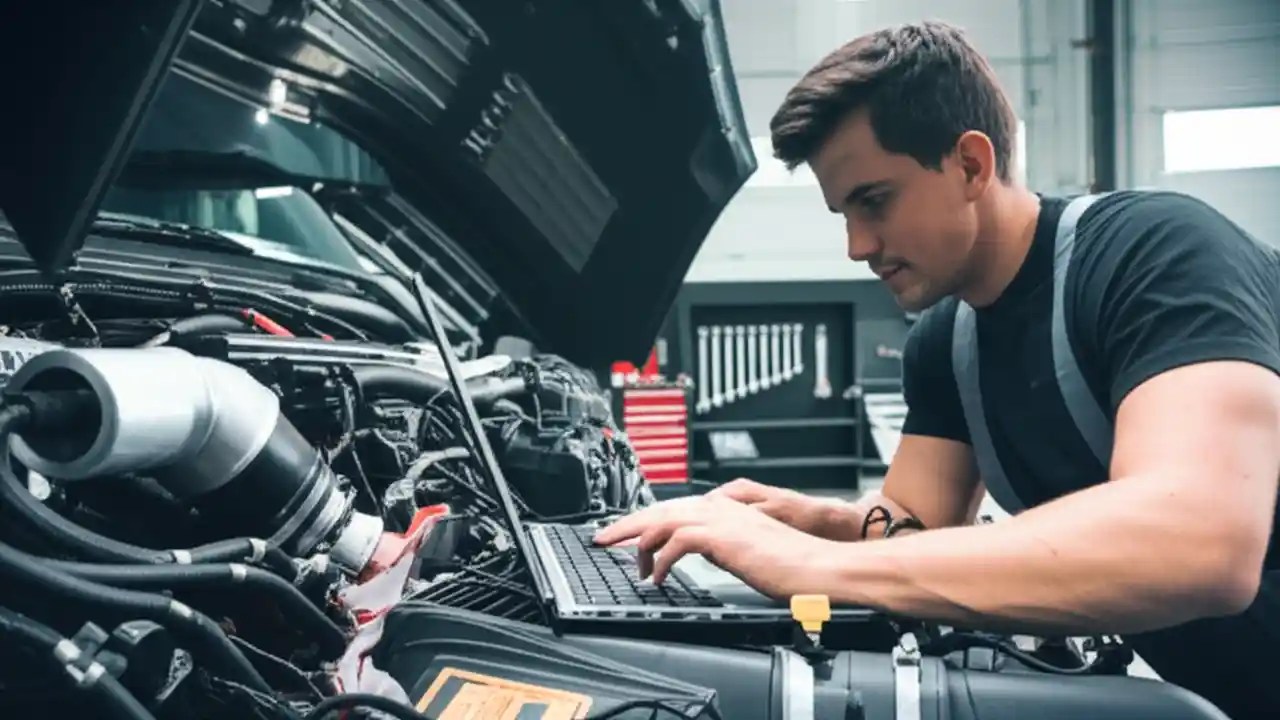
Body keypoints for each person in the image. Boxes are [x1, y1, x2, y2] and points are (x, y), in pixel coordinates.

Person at [594, 20, 1279, 719]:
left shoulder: (1156, 255)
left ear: (972, 165)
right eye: (843, 213)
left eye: (874, 201)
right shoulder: (948, 342)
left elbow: (1202, 544)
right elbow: (917, 524)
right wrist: (811, 521)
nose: (857, 245)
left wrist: (814, 566)